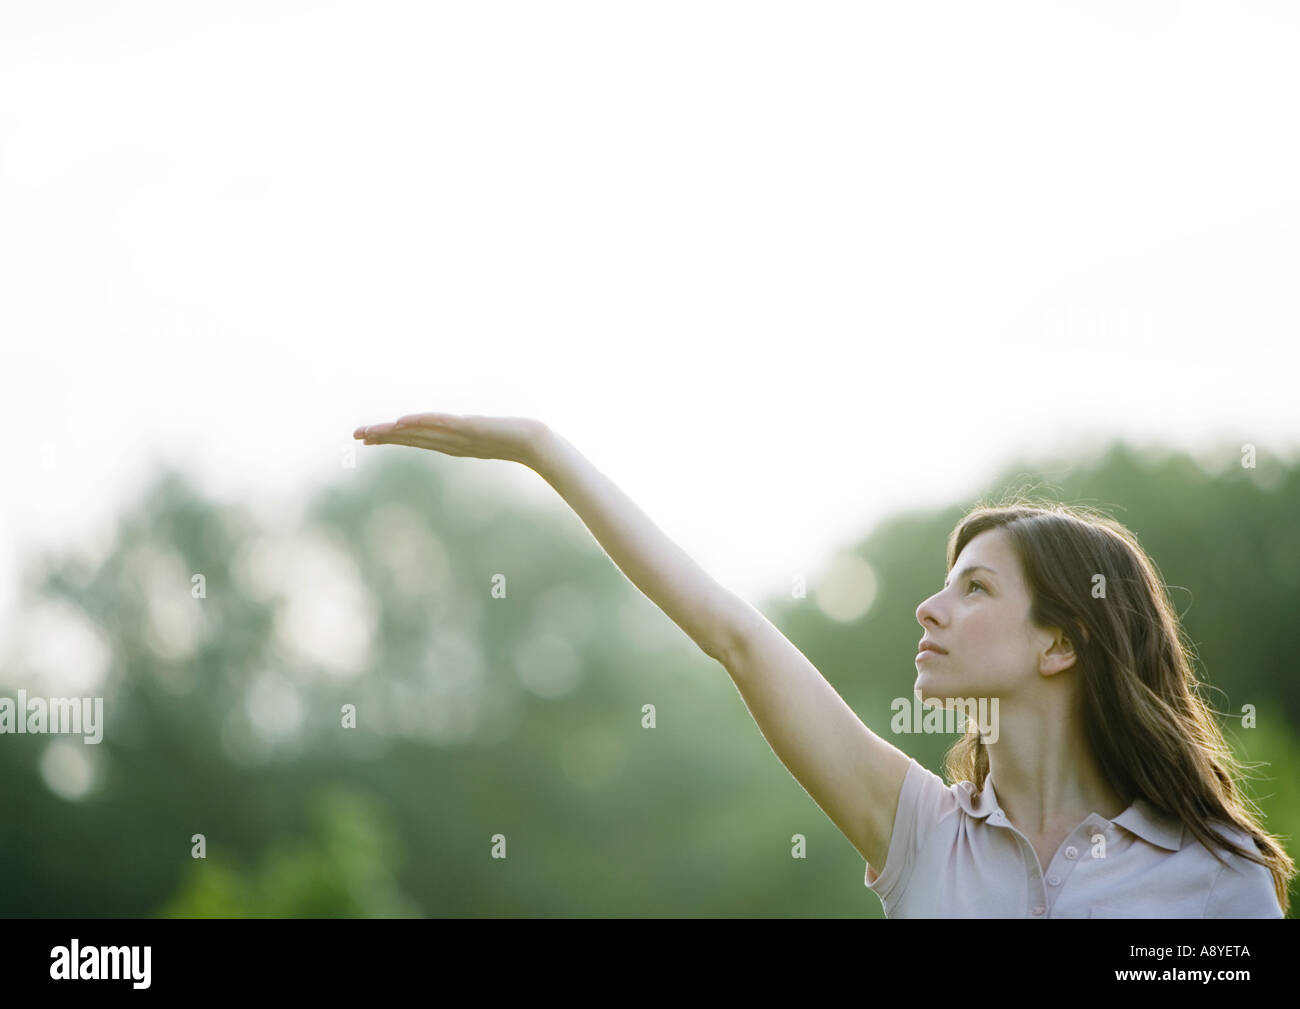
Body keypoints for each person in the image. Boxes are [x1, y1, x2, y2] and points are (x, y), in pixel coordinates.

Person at [353, 413, 1293, 918]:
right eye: (941, 584)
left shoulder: (1215, 876)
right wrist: (545, 451)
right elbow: (734, 634)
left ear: (1061, 641)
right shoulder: (922, 832)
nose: (929, 608)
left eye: (974, 589)